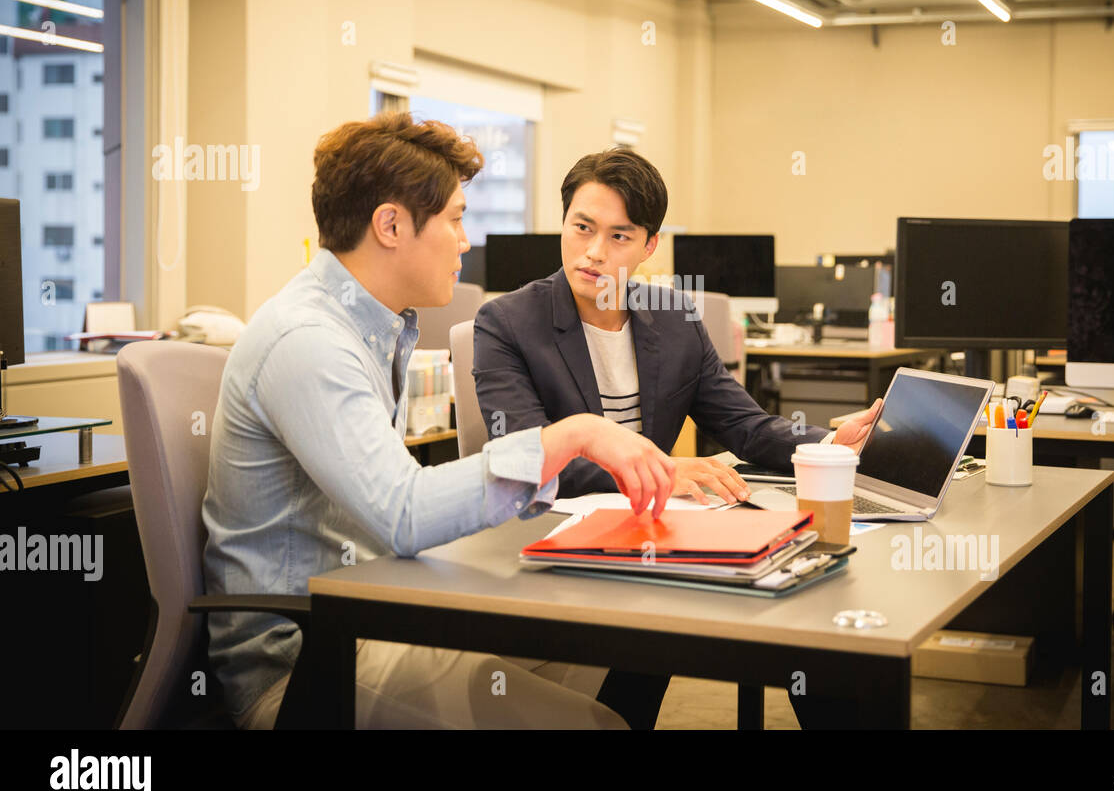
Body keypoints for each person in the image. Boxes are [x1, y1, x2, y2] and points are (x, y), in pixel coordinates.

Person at [201, 112, 676, 729]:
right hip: (306, 668)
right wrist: (576, 433)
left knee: (608, 646)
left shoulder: (373, 328)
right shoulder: (308, 341)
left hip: (374, 618)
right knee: (598, 724)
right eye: (455, 218)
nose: (465, 240)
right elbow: (402, 512)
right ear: (392, 225)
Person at [472, 148, 881, 728]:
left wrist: (829, 445)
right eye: (582, 228)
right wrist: (664, 469)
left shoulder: (672, 315)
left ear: (648, 246)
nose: (593, 252)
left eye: (619, 236)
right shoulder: (508, 323)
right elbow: (525, 454)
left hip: (658, 538)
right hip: (564, 547)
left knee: (806, 607)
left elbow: (743, 423)